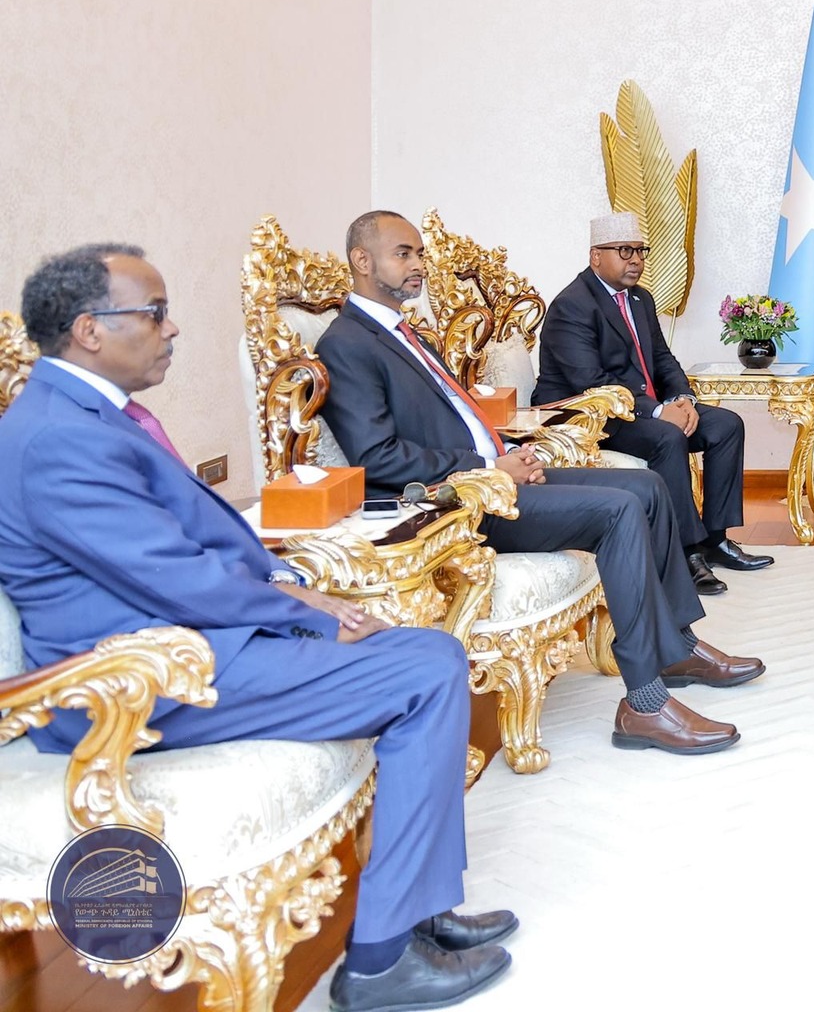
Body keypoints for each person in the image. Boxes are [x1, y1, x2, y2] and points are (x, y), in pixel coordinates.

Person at [0, 245, 513, 1012]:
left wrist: (289, 585)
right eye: (155, 312)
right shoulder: (57, 439)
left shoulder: (89, 414)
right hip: (138, 680)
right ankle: (381, 960)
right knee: (426, 669)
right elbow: (171, 576)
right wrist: (302, 610)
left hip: (189, 639)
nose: (173, 329)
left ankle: (418, 913)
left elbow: (186, 547)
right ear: (89, 331)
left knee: (419, 648)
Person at [317, 211, 762, 757]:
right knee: (620, 510)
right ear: (362, 262)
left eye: (419, 254)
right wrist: (486, 468)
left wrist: (507, 452)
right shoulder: (348, 343)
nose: (419, 265)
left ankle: (676, 647)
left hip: (496, 474)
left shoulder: (405, 332)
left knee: (645, 487)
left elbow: (455, 415)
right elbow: (377, 456)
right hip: (456, 502)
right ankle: (643, 704)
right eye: (403, 254)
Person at [532, 212, 770, 584]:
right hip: (588, 417)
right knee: (667, 436)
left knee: (726, 425)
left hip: (639, 408)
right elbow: (592, 383)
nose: (636, 260)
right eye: (624, 251)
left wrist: (683, 399)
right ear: (596, 255)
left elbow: (661, 358)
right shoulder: (572, 305)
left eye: (641, 251)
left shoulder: (640, 298)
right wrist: (659, 412)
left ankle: (715, 540)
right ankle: (684, 553)